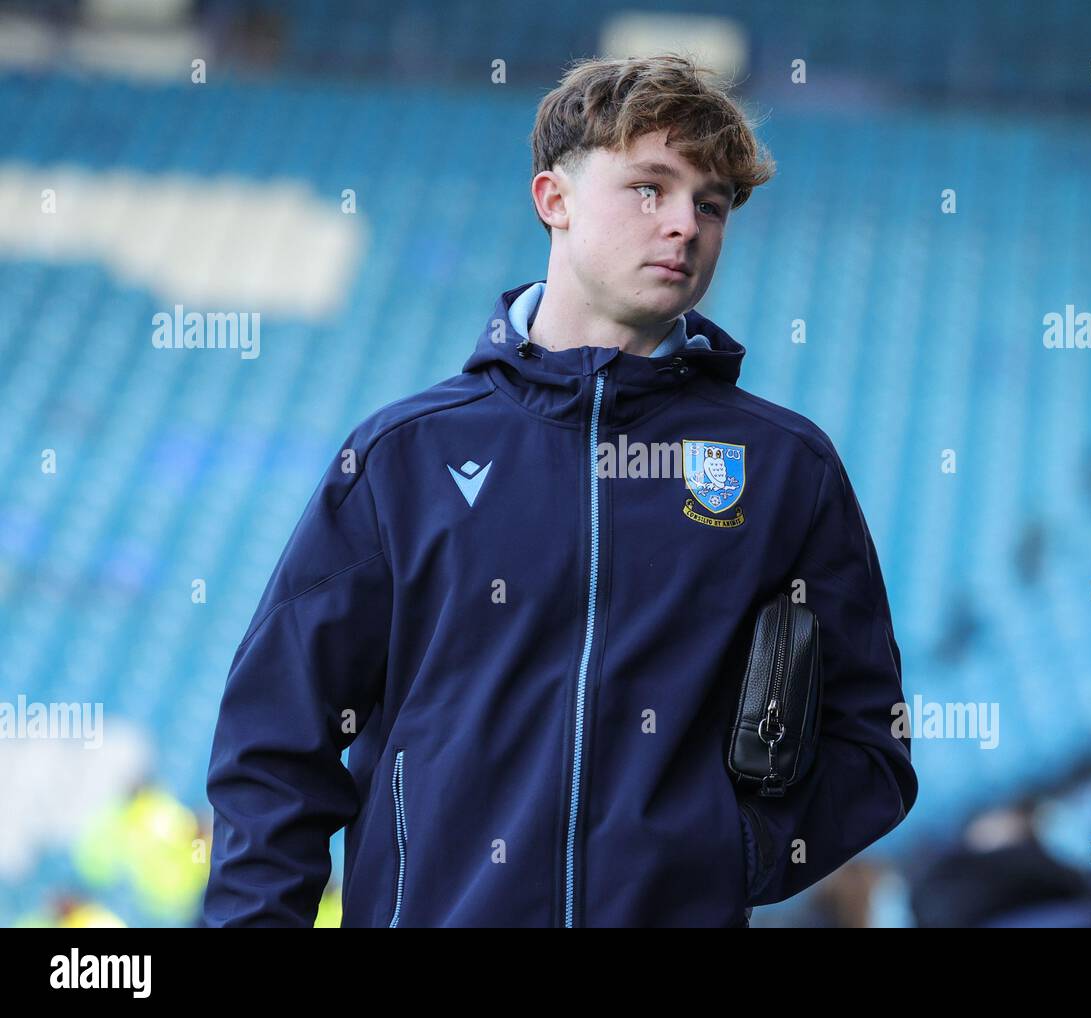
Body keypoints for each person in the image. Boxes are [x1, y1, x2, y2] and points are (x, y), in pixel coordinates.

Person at [202, 53, 917, 928]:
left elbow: (871, 744)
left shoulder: (782, 470)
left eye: (712, 204)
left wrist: (722, 850)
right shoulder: (404, 455)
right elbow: (276, 741)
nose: (684, 225)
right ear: (555, 199)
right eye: (650, 188)